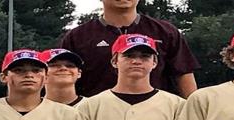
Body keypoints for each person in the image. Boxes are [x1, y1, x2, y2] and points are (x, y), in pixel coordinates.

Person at [58, 0, 198, 99]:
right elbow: (61, 79)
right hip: (97, 116)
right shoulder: (78, 36)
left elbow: (183, 73)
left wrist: (193, 114)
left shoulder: (165, 32)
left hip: (157, 115)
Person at [77, 35, 187, 120]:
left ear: (154, 62)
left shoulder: (177, 106)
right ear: (114, 61)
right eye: (129, 56)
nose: (136, 61)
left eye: (145, 56)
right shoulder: (89, 106)